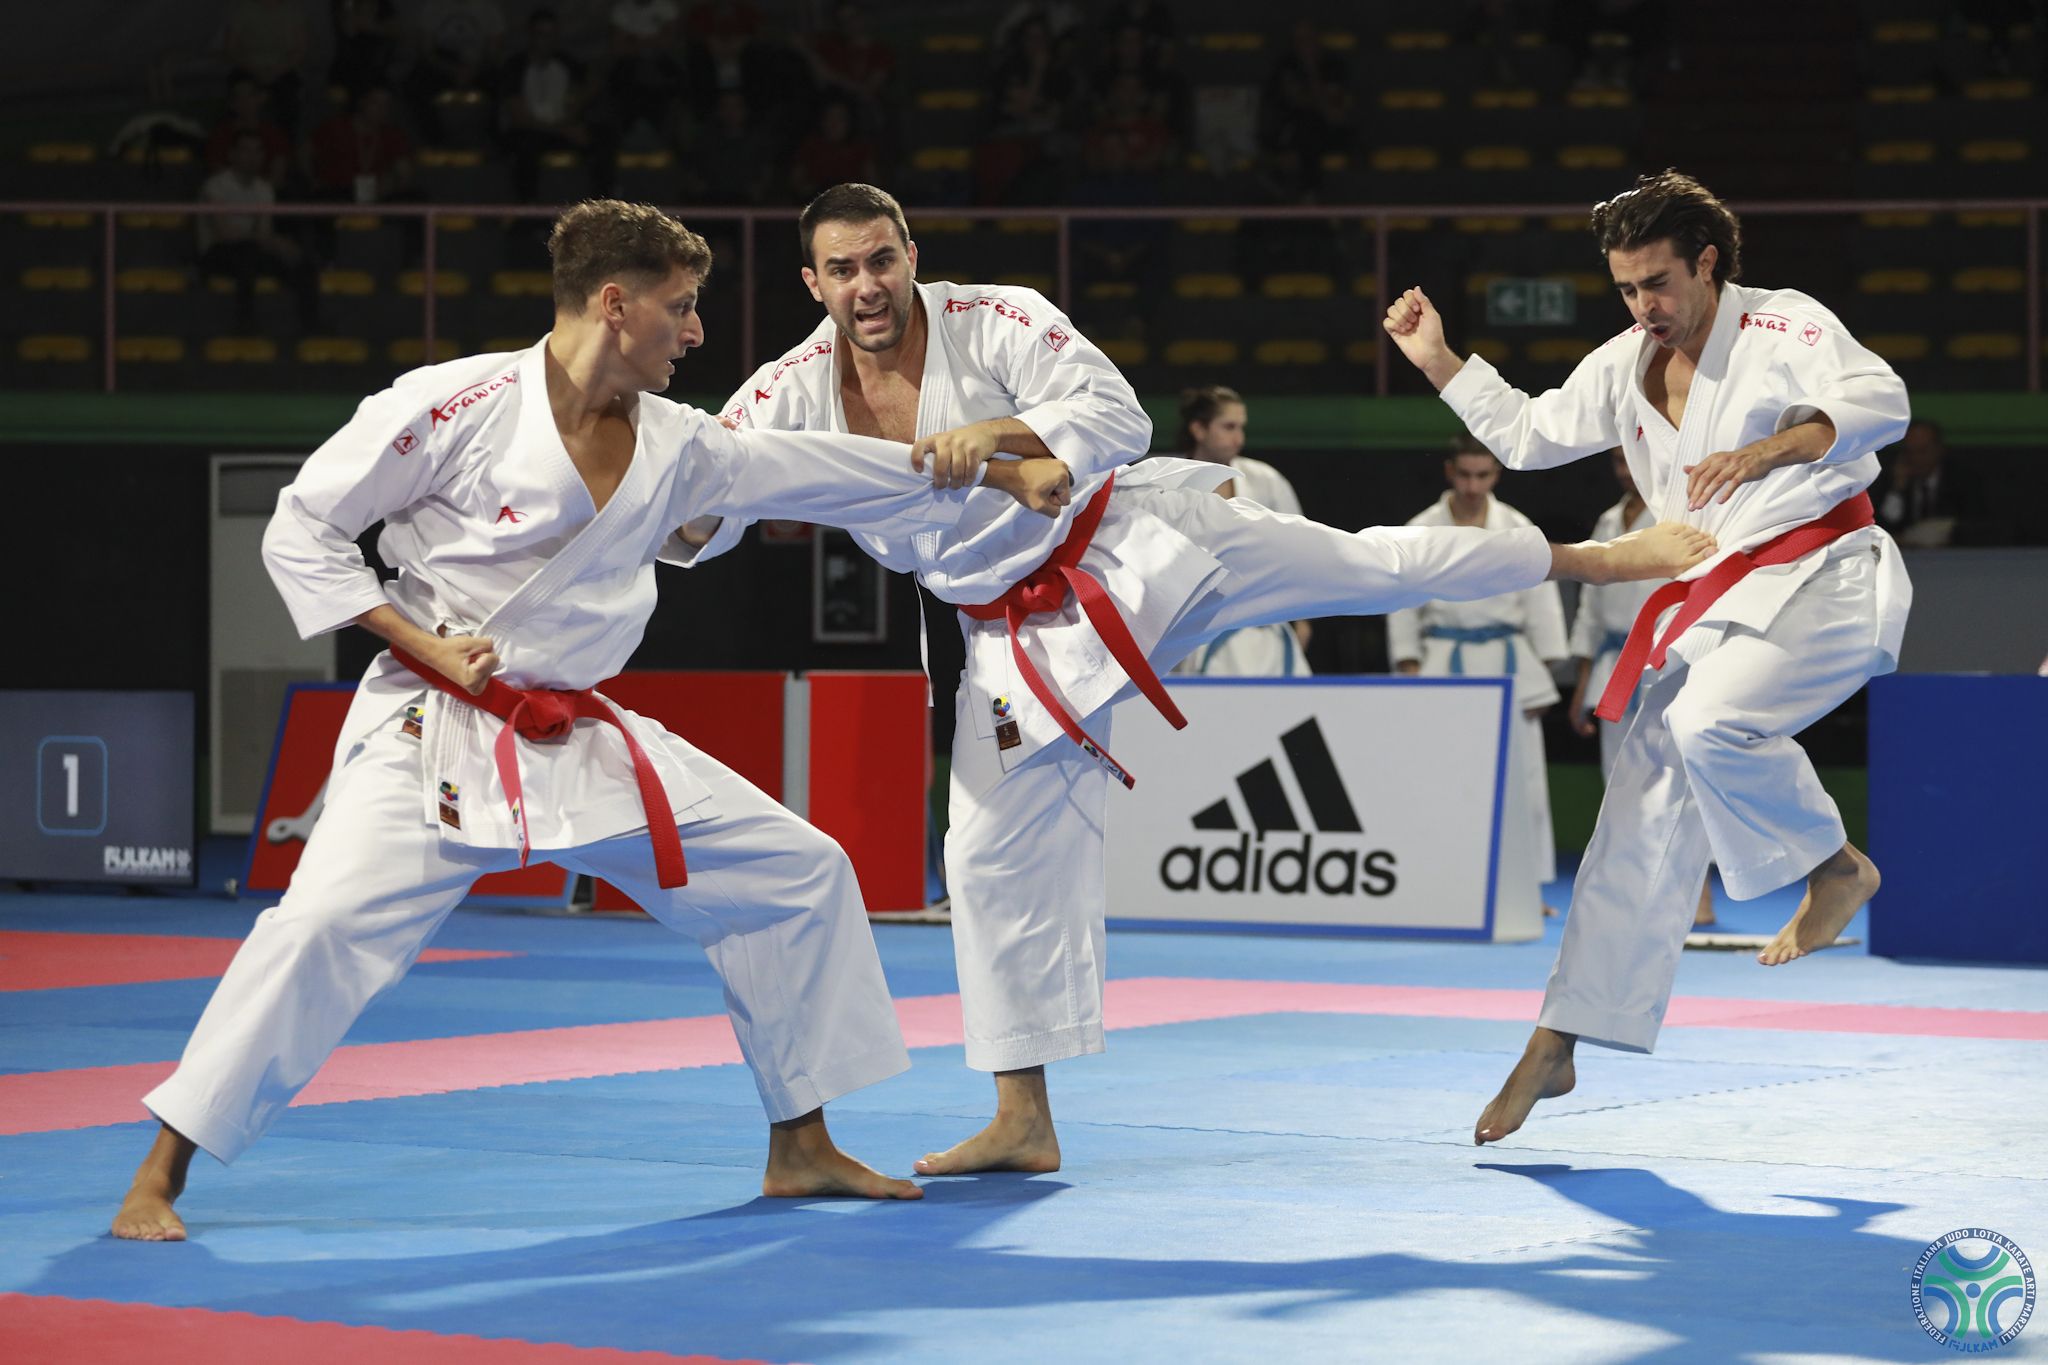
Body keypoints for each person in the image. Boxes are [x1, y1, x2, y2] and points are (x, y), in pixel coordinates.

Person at [701, 183, 1715, 1178]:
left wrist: (1001, 436)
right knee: (981, 857)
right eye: (842, 269)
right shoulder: (787, 388)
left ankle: (1584, 559)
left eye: (882, 259)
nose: (866, 284)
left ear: (910, 254)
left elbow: (1112, 415)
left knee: (1364, 567)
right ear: (811, 281)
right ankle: (1021, 1118)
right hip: (1013, 639)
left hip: (1133, 548)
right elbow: (704, 491)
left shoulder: (995, 318)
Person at [111, 198, 1073, 1242]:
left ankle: (800, 1141)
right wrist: (416, 638)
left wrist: (994, 463)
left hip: (578, 736)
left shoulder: (678, 445)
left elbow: (828, 471)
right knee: (321, 931)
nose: (697, 332)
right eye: (682, 307)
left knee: (793, 874)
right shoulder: (454, 404)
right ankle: (160, 1170)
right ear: (615, 306)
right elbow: (306, 526)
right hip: (432, 727)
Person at [1383, 169, 1911, 1145]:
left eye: (1657, 283)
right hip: (1715, 607)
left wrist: (1765, 453)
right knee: (1630, 828)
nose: (1642, 307)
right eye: (1625, 288)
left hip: (1825, 575)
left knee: (1711, 723)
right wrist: (1437, 358)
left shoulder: (1781, 327)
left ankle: (1832, 866)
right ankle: (1559, 1038)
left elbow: (1879, 399)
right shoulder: (1624, 359)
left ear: (1705, 263)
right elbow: (1531, 433)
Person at [1388, 437, 1569, 923]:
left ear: (1496, 475)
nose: (1473, 486)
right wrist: (1408, 664)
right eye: (1465, 475)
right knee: (1440, 778)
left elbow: (1541, 604)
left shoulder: (1516, 528)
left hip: (1510, 664)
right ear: (1449, 471)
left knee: (1524, 783)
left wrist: (1543, 671)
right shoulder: (1421, 529)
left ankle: (1525, 891)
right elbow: (1402, 599)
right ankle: (1436, 886)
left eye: (1482, 476)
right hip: (1443, 663)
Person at [1567, 448, 1716, 928]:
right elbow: (1590, 611)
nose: (1626, 471)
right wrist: (1581, 688)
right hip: (1614, 666)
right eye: (1618, 463)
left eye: (1632, 460)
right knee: (1620, 783)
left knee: (1679, 776)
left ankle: (1698, 897)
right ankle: (1631, 895)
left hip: (1666, 661)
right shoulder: (1608, 521)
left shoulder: (1681, 517)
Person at [1171, 384, 1312, 677]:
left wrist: (1304, 618)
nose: (1239, 437)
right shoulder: (1169, 484)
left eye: (1241, 427)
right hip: (1195, 623)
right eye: (1228, 426)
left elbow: (1300, 548)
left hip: (1265, 622)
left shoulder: (1266, 480)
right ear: (1199, 429)